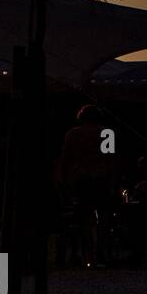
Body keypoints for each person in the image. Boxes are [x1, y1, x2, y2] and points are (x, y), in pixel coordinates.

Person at [56, 105, 118, 268]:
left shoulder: (73, 134)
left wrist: (63, 180)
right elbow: (110, 159)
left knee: (84, 220)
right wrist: (113, 182)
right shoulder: (106, 133)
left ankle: (87, 256)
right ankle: (102, 252)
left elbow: (65, 158)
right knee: (104, 218)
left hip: (81, 180)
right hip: (101, 179)